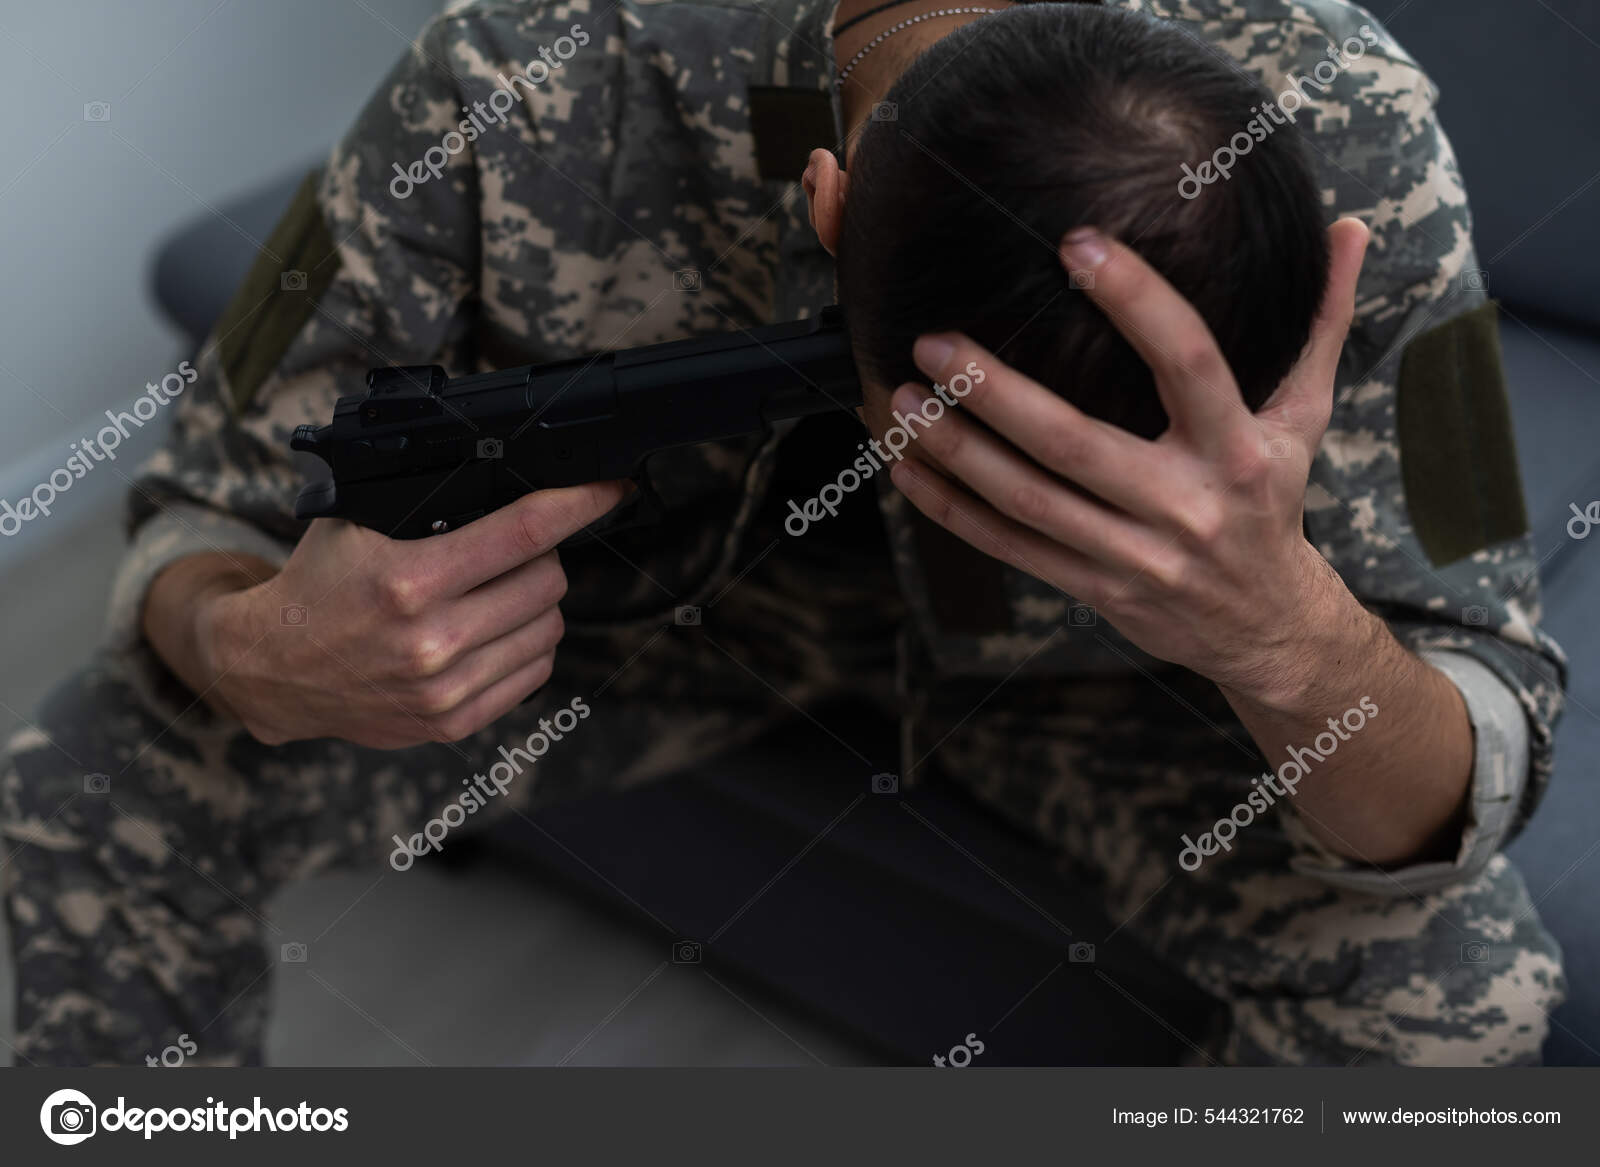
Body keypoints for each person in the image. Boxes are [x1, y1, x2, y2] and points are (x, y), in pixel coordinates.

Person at [1, 0, 1566, 1066]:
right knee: (94, 769)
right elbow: (210, 493)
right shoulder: (512, 78)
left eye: (1092, 477)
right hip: (656, 628)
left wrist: (1280, 633)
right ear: (825, 212)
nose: (1011, 511)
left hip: (1130, 699)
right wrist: (246, 641)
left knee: (1458, 1005)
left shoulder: (1353, 139)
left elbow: (1486, 701)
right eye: (966, 447)